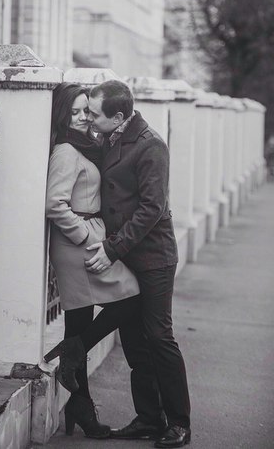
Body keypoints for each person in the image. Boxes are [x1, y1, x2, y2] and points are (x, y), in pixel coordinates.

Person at [84, 79, 191, 449]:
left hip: (153, 257)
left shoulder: (150, 145)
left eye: (94, 114)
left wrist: (112, 249)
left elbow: (152, 208)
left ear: (118, 117)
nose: (89, 118)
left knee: (159, 336)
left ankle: (179, 423)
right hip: (127, 256)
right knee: (133, 340)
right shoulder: (108, 137)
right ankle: (149, 418)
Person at [44, 82, 140, 439]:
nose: (83, 117)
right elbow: (55, 204)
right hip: (77, 243)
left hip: (87, 236)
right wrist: (87, 237)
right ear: (63, 115)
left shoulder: (87, 145)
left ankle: (79, 406)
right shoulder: (66, 151)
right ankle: (74, 356)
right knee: (131, 297)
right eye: (75, 112)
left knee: (78, 323)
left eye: (87, 110)